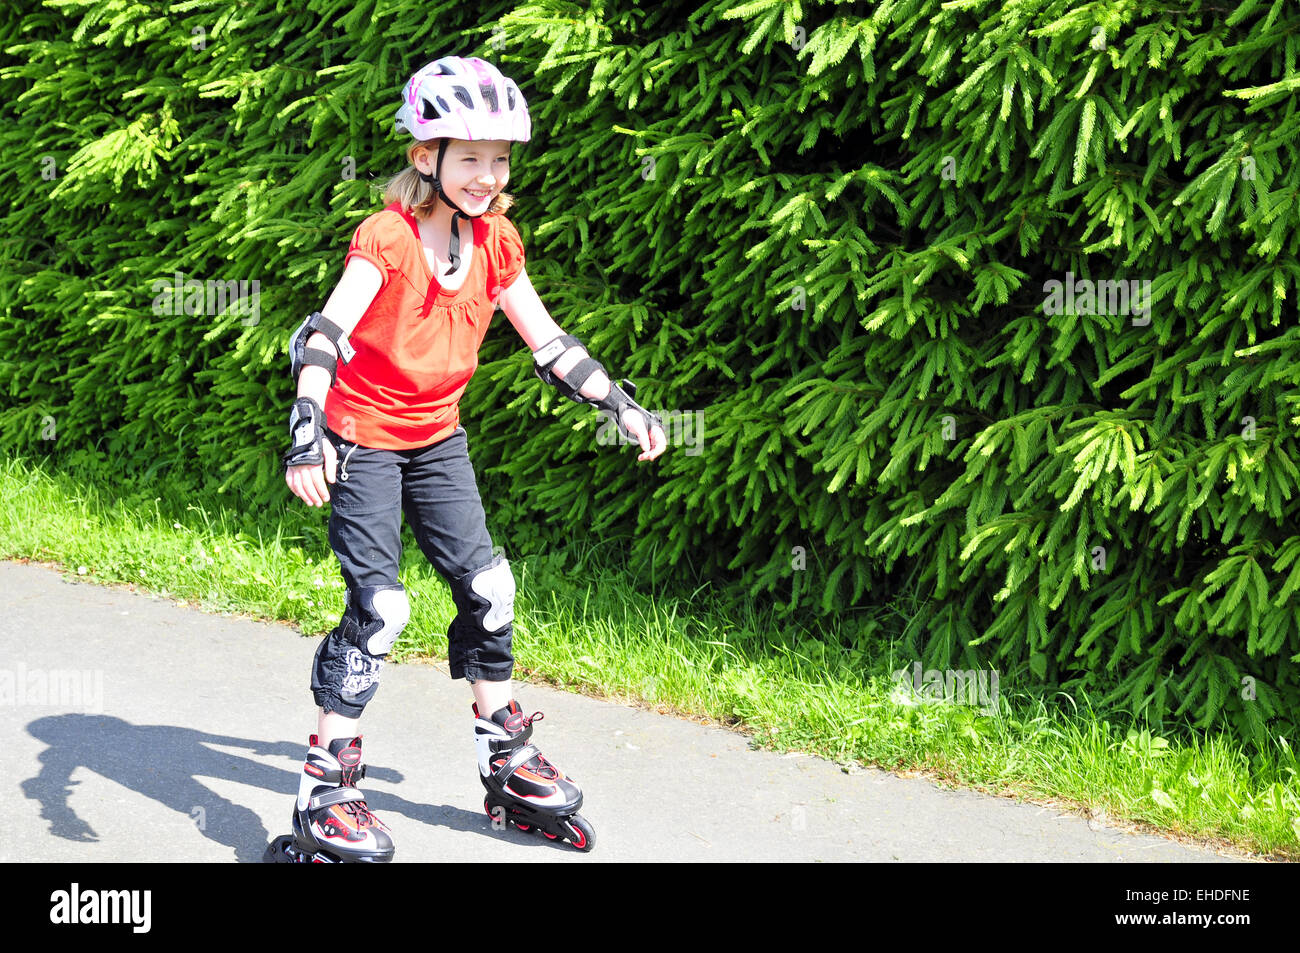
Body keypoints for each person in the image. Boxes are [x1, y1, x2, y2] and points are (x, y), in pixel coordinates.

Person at [268, 55, 666, 862]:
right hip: (362, 438)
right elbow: (324, 334)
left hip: (437, 437)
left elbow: (548, 341)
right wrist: (306, 423)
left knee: (489, 587)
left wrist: (618, 403)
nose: (489, 175)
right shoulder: (386, 236)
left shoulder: (496, 242)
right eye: (471, 157)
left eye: (501, 159)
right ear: (427, 159)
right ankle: (325, 787)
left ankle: (505, 755)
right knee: (383, 612)